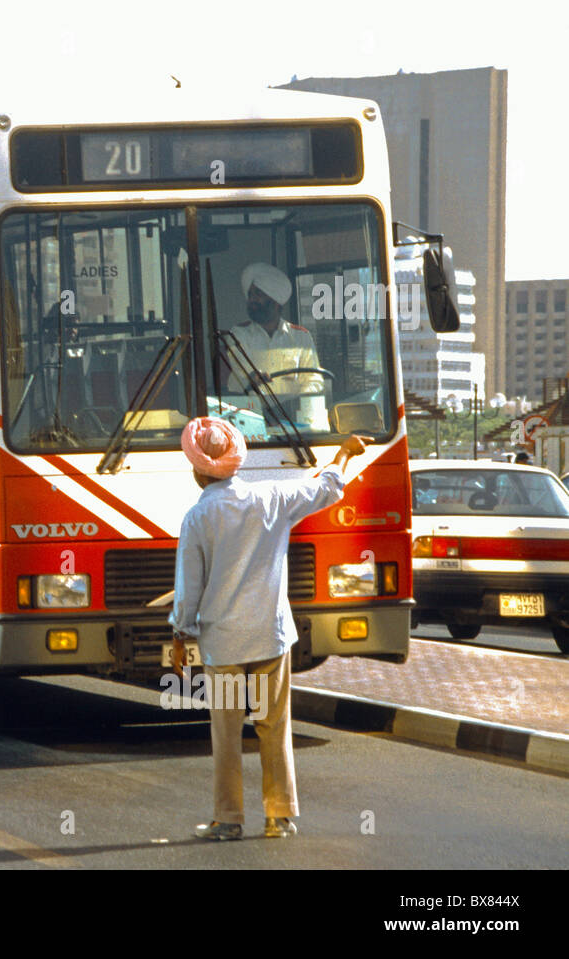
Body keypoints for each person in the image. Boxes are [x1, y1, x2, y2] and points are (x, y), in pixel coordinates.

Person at [169, 416, 368, 841]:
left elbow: (188, 588)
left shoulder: (198, 518)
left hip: (222, 644)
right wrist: (344, 454)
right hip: (271, 635)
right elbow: (326, 488)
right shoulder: (271, 498)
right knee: (273, 726)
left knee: (226, 733)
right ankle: (279, 816)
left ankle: (228, 819)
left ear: (200, 468)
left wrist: (180, 634)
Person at [226, 263, 325, 405]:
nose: (252, 300)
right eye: (250, 294)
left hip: (292, 418)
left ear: (276, 302)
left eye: (258, 294)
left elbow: (314, 381)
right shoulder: (238, 334)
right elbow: (241, 371)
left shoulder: (301, 337)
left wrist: (297, 401)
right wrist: (252, 378)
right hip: (251, 413)